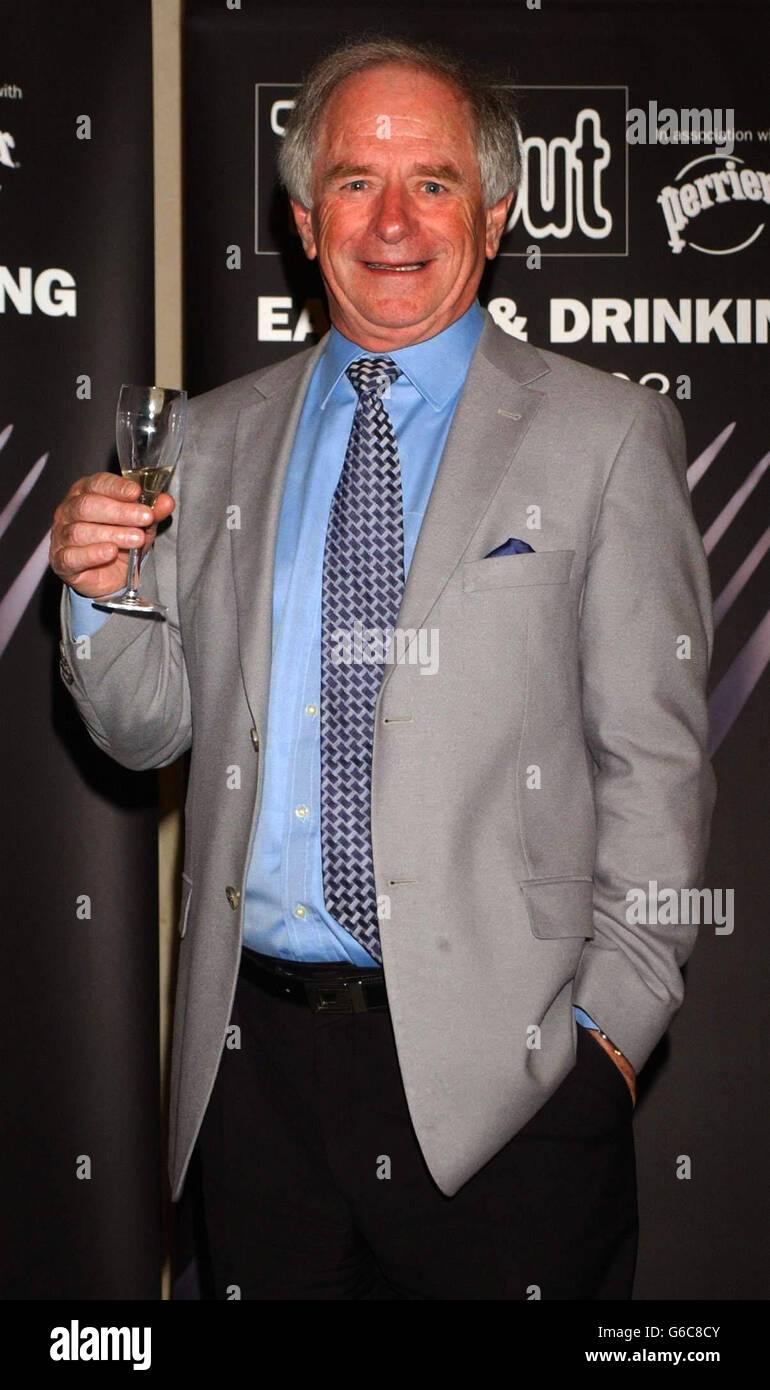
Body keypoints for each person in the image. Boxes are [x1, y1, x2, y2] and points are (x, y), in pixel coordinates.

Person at [49, 36, 716, 1300]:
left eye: (434, 182)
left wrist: (605, 1044)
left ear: (497, 211)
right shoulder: (212, 436)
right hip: (253, 1084)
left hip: (509, 1089)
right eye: (355, 182)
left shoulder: (603, 434)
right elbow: (147, 733)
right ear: (305, 222)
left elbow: (657, 764)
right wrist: (99, 600)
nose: (393, 220)